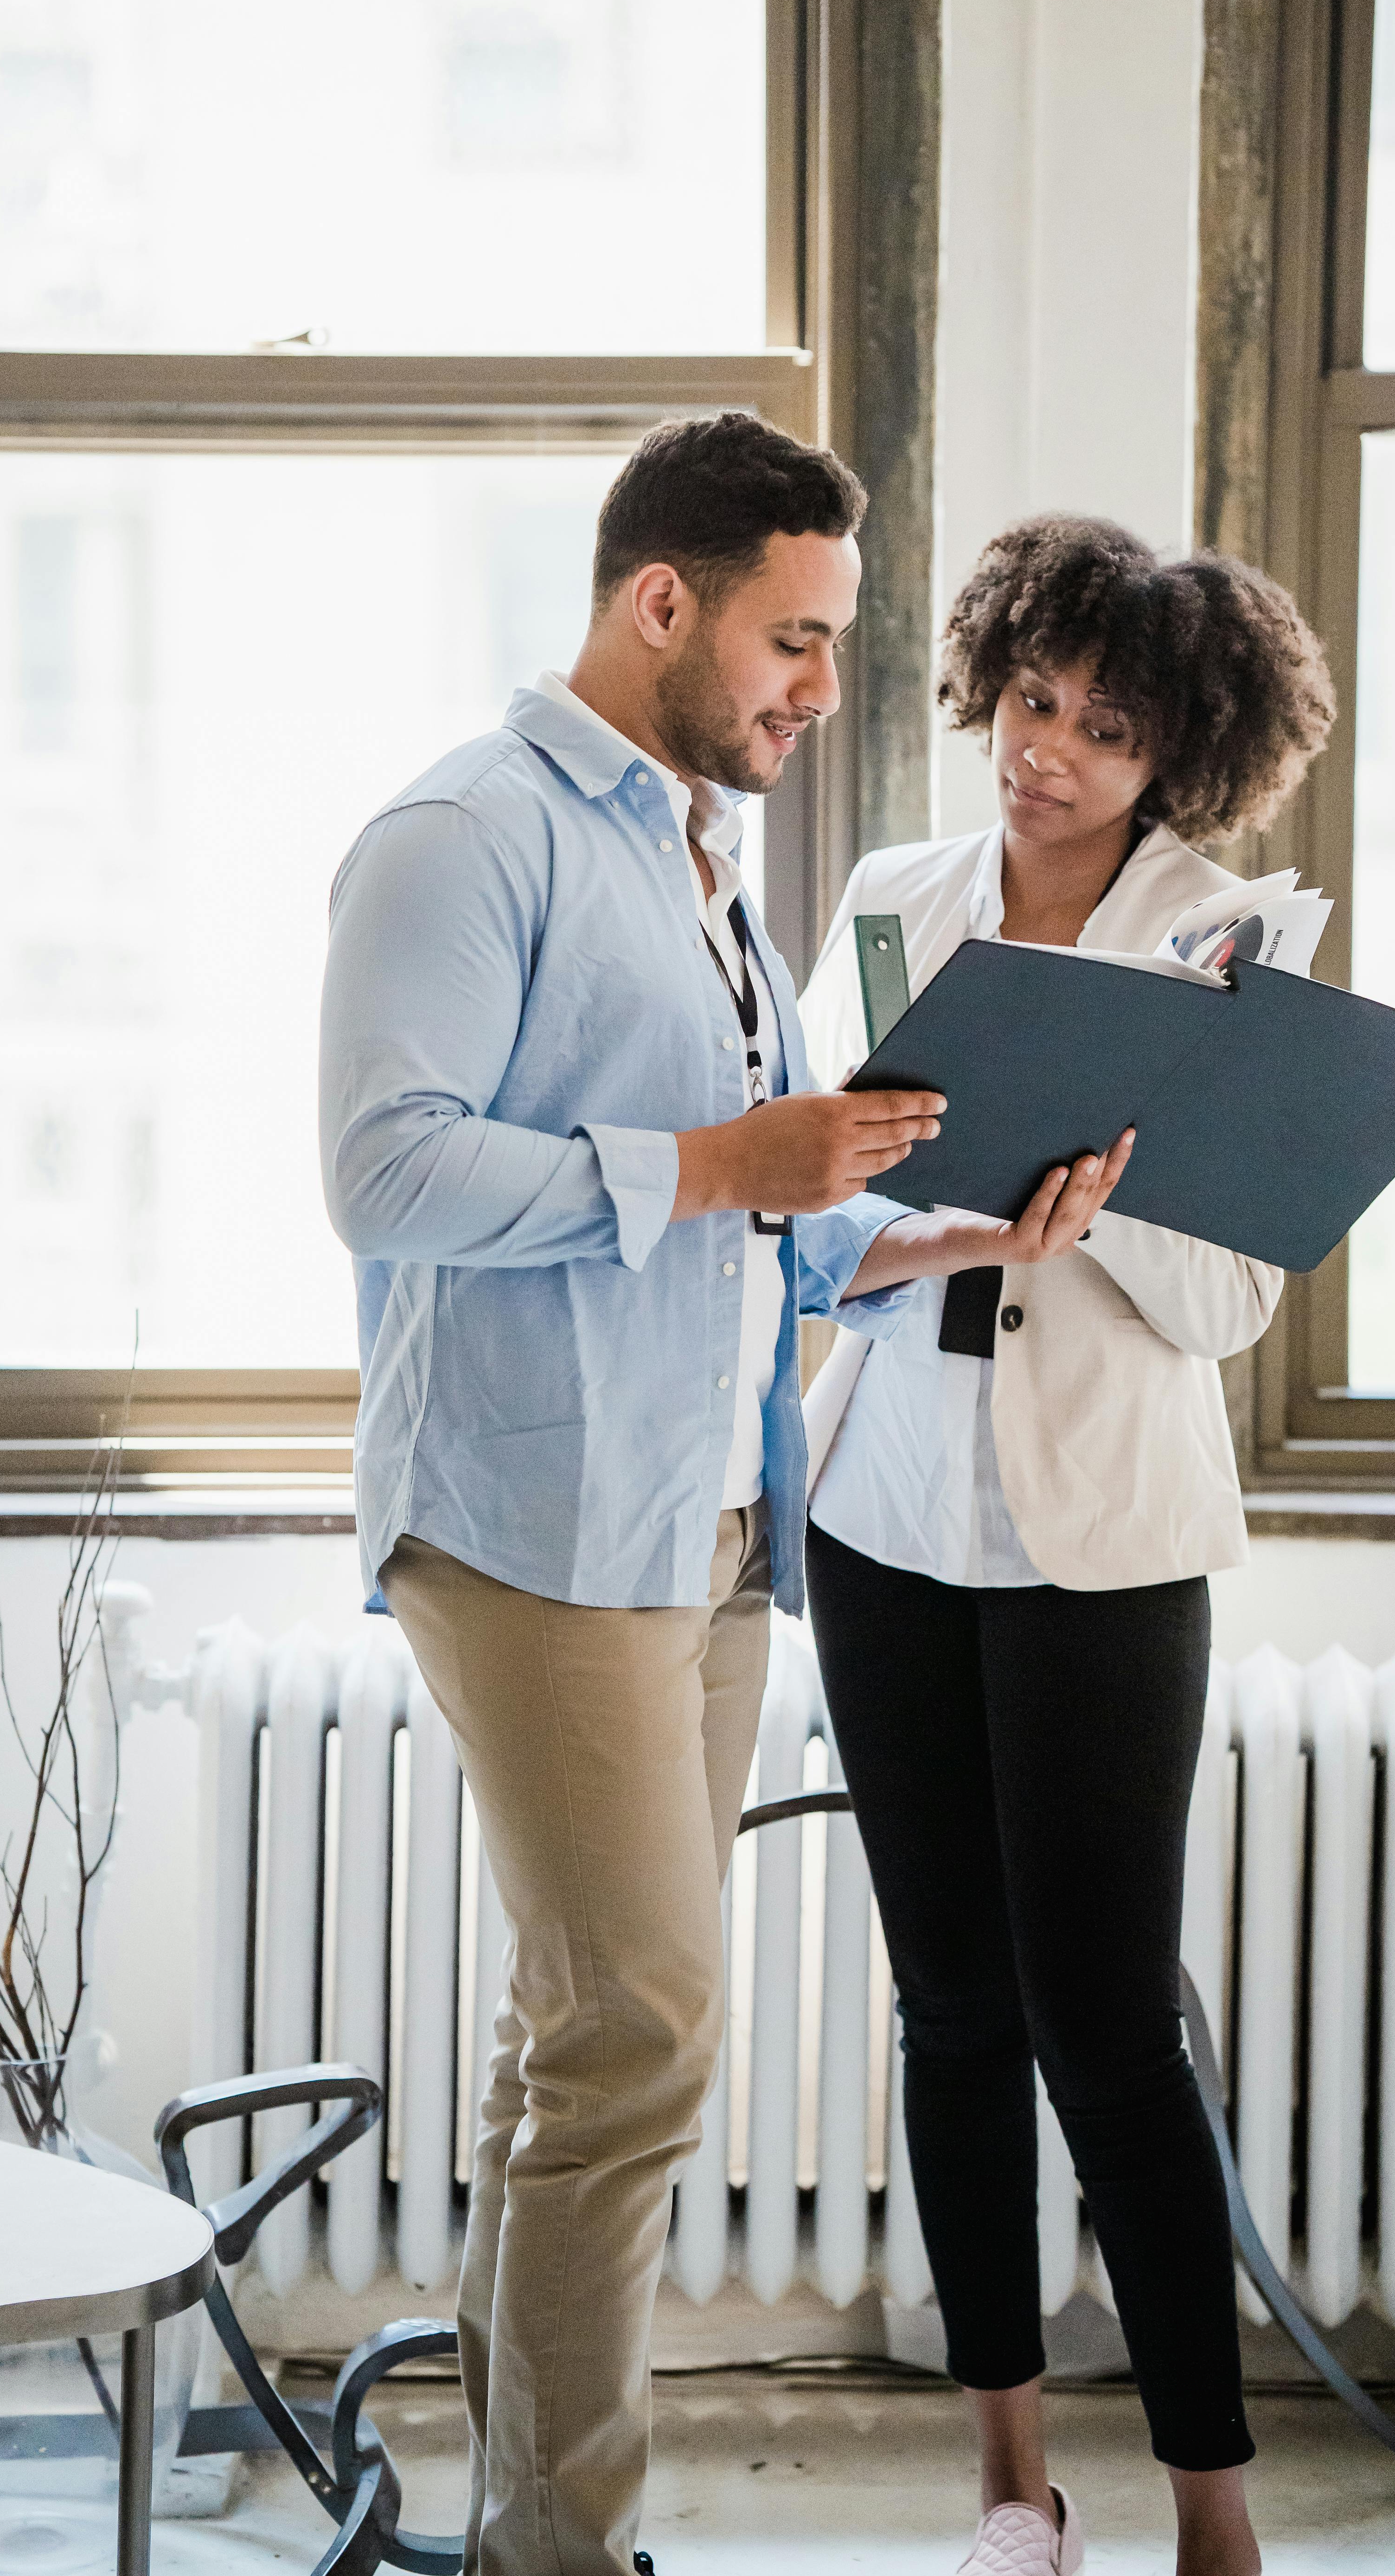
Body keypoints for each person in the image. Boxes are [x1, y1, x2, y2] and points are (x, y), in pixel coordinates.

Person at [317, 412, 950, 2576]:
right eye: (794, 638)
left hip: (710, 1523)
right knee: (646, 2034)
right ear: (659, 601)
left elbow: (763, 1215)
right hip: (536, 1519)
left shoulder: (700, 862)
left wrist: (948, 1233)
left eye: (835, 644)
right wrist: (714, 1164)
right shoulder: (461, 836)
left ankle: (522, 2522)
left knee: (574, 2039)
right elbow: (383, 1175)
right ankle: (562, 2552)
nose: (821, 686)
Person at [800, 516, 1336, 2576]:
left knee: (1108, 2031)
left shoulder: (1230, 944)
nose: (1048, 753)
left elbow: (1232, 1302)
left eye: (1106, 732)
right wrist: (923, 1205)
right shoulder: (889, 898)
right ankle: (1011, 2493)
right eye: (1033, 703)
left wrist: (1094, 1203)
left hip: (1100, 1538)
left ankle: (1214, 2516)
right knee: (950, 2014)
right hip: (885, 1510)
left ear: (1177, 754)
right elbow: (816, 1215)